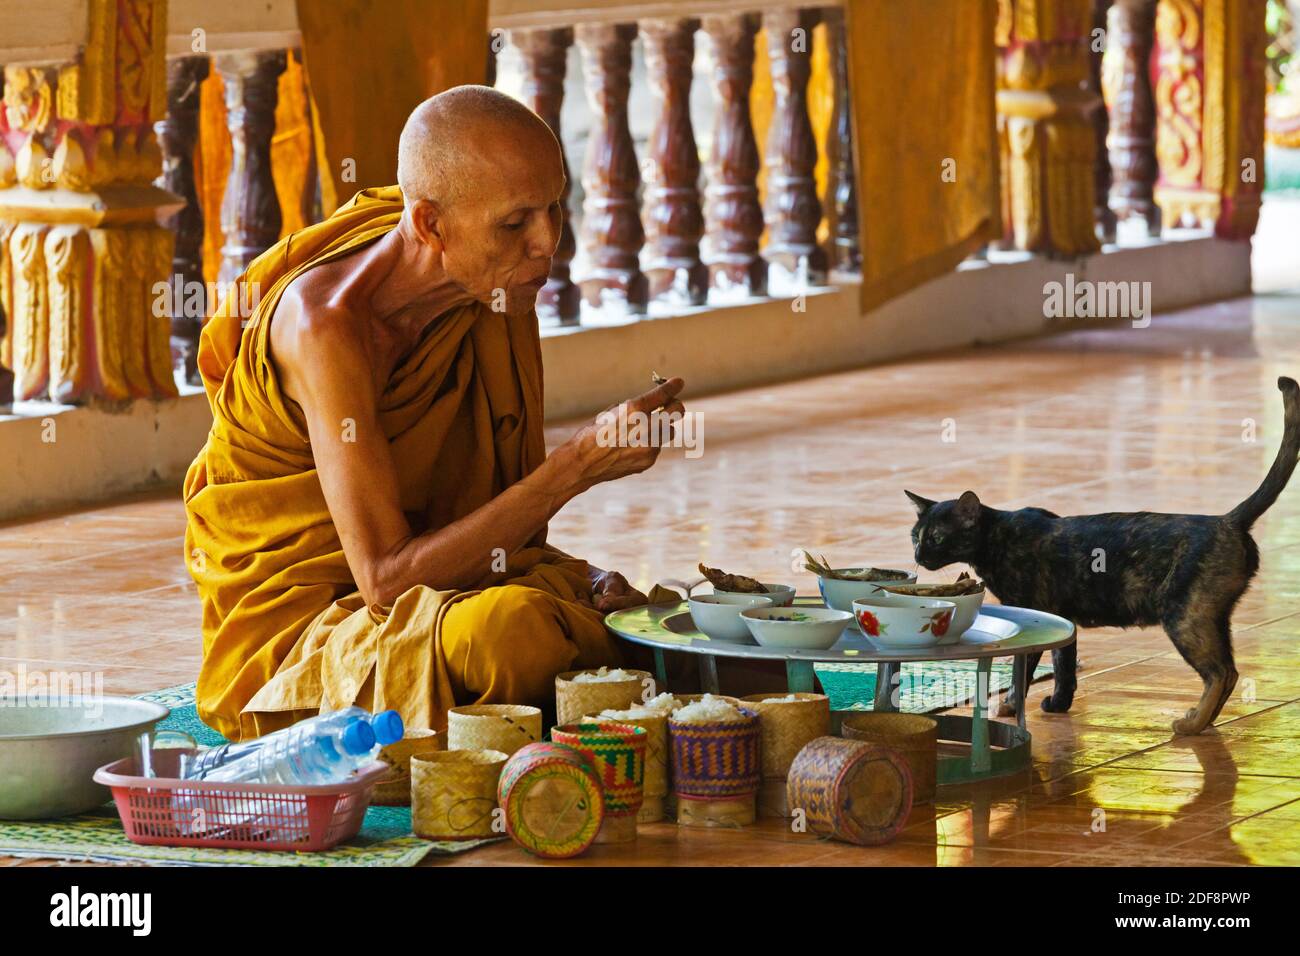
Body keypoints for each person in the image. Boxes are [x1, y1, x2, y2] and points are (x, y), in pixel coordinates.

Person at [185, 86, 685, 740]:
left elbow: (495, 537)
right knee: (511, 636)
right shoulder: (326, 330)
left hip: (445, 592)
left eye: (555, 210)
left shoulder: (492, 291)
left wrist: (586, 575)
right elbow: (386, 584)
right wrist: (575, 469)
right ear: (427, 225)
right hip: (312, 634)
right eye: (515, 224)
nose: (546, 246)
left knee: (658, 618)